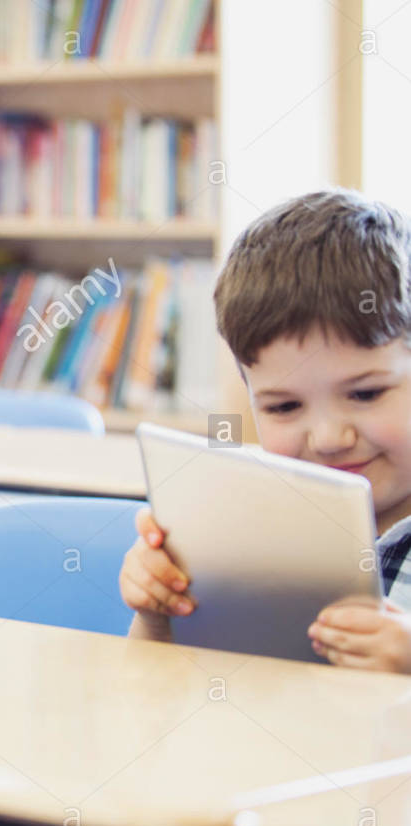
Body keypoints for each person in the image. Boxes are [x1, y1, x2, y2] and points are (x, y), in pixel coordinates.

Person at [120, 189, 411, 672]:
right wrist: (157, 615)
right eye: (285, 406)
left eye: (365, 395)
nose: (329, 437)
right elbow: (151, 699)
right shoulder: (240, 532)